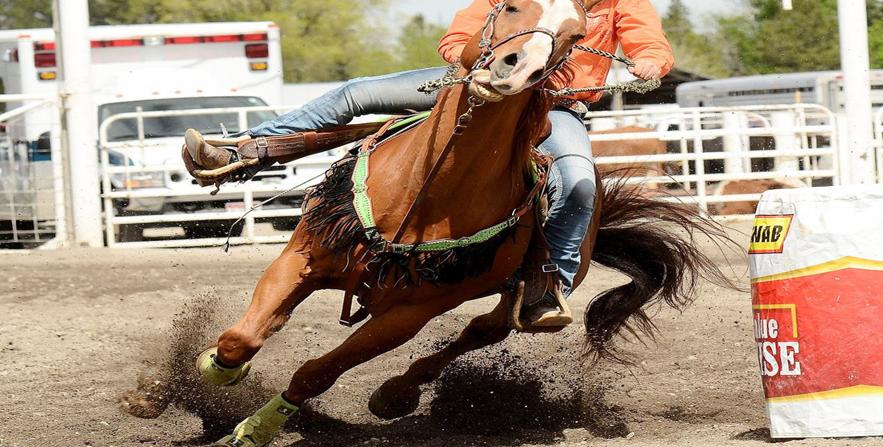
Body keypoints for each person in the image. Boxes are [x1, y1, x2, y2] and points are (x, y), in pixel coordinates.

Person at [182, 0, 673, 327]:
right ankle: (242, 152)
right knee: (356, 93)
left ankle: (548, 285)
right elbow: (461, 33)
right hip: (475, 80)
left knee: (580, 184)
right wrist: (472, 57)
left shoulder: (617, 0)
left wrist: (650, 63)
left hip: (554, 102)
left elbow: (648, 42)